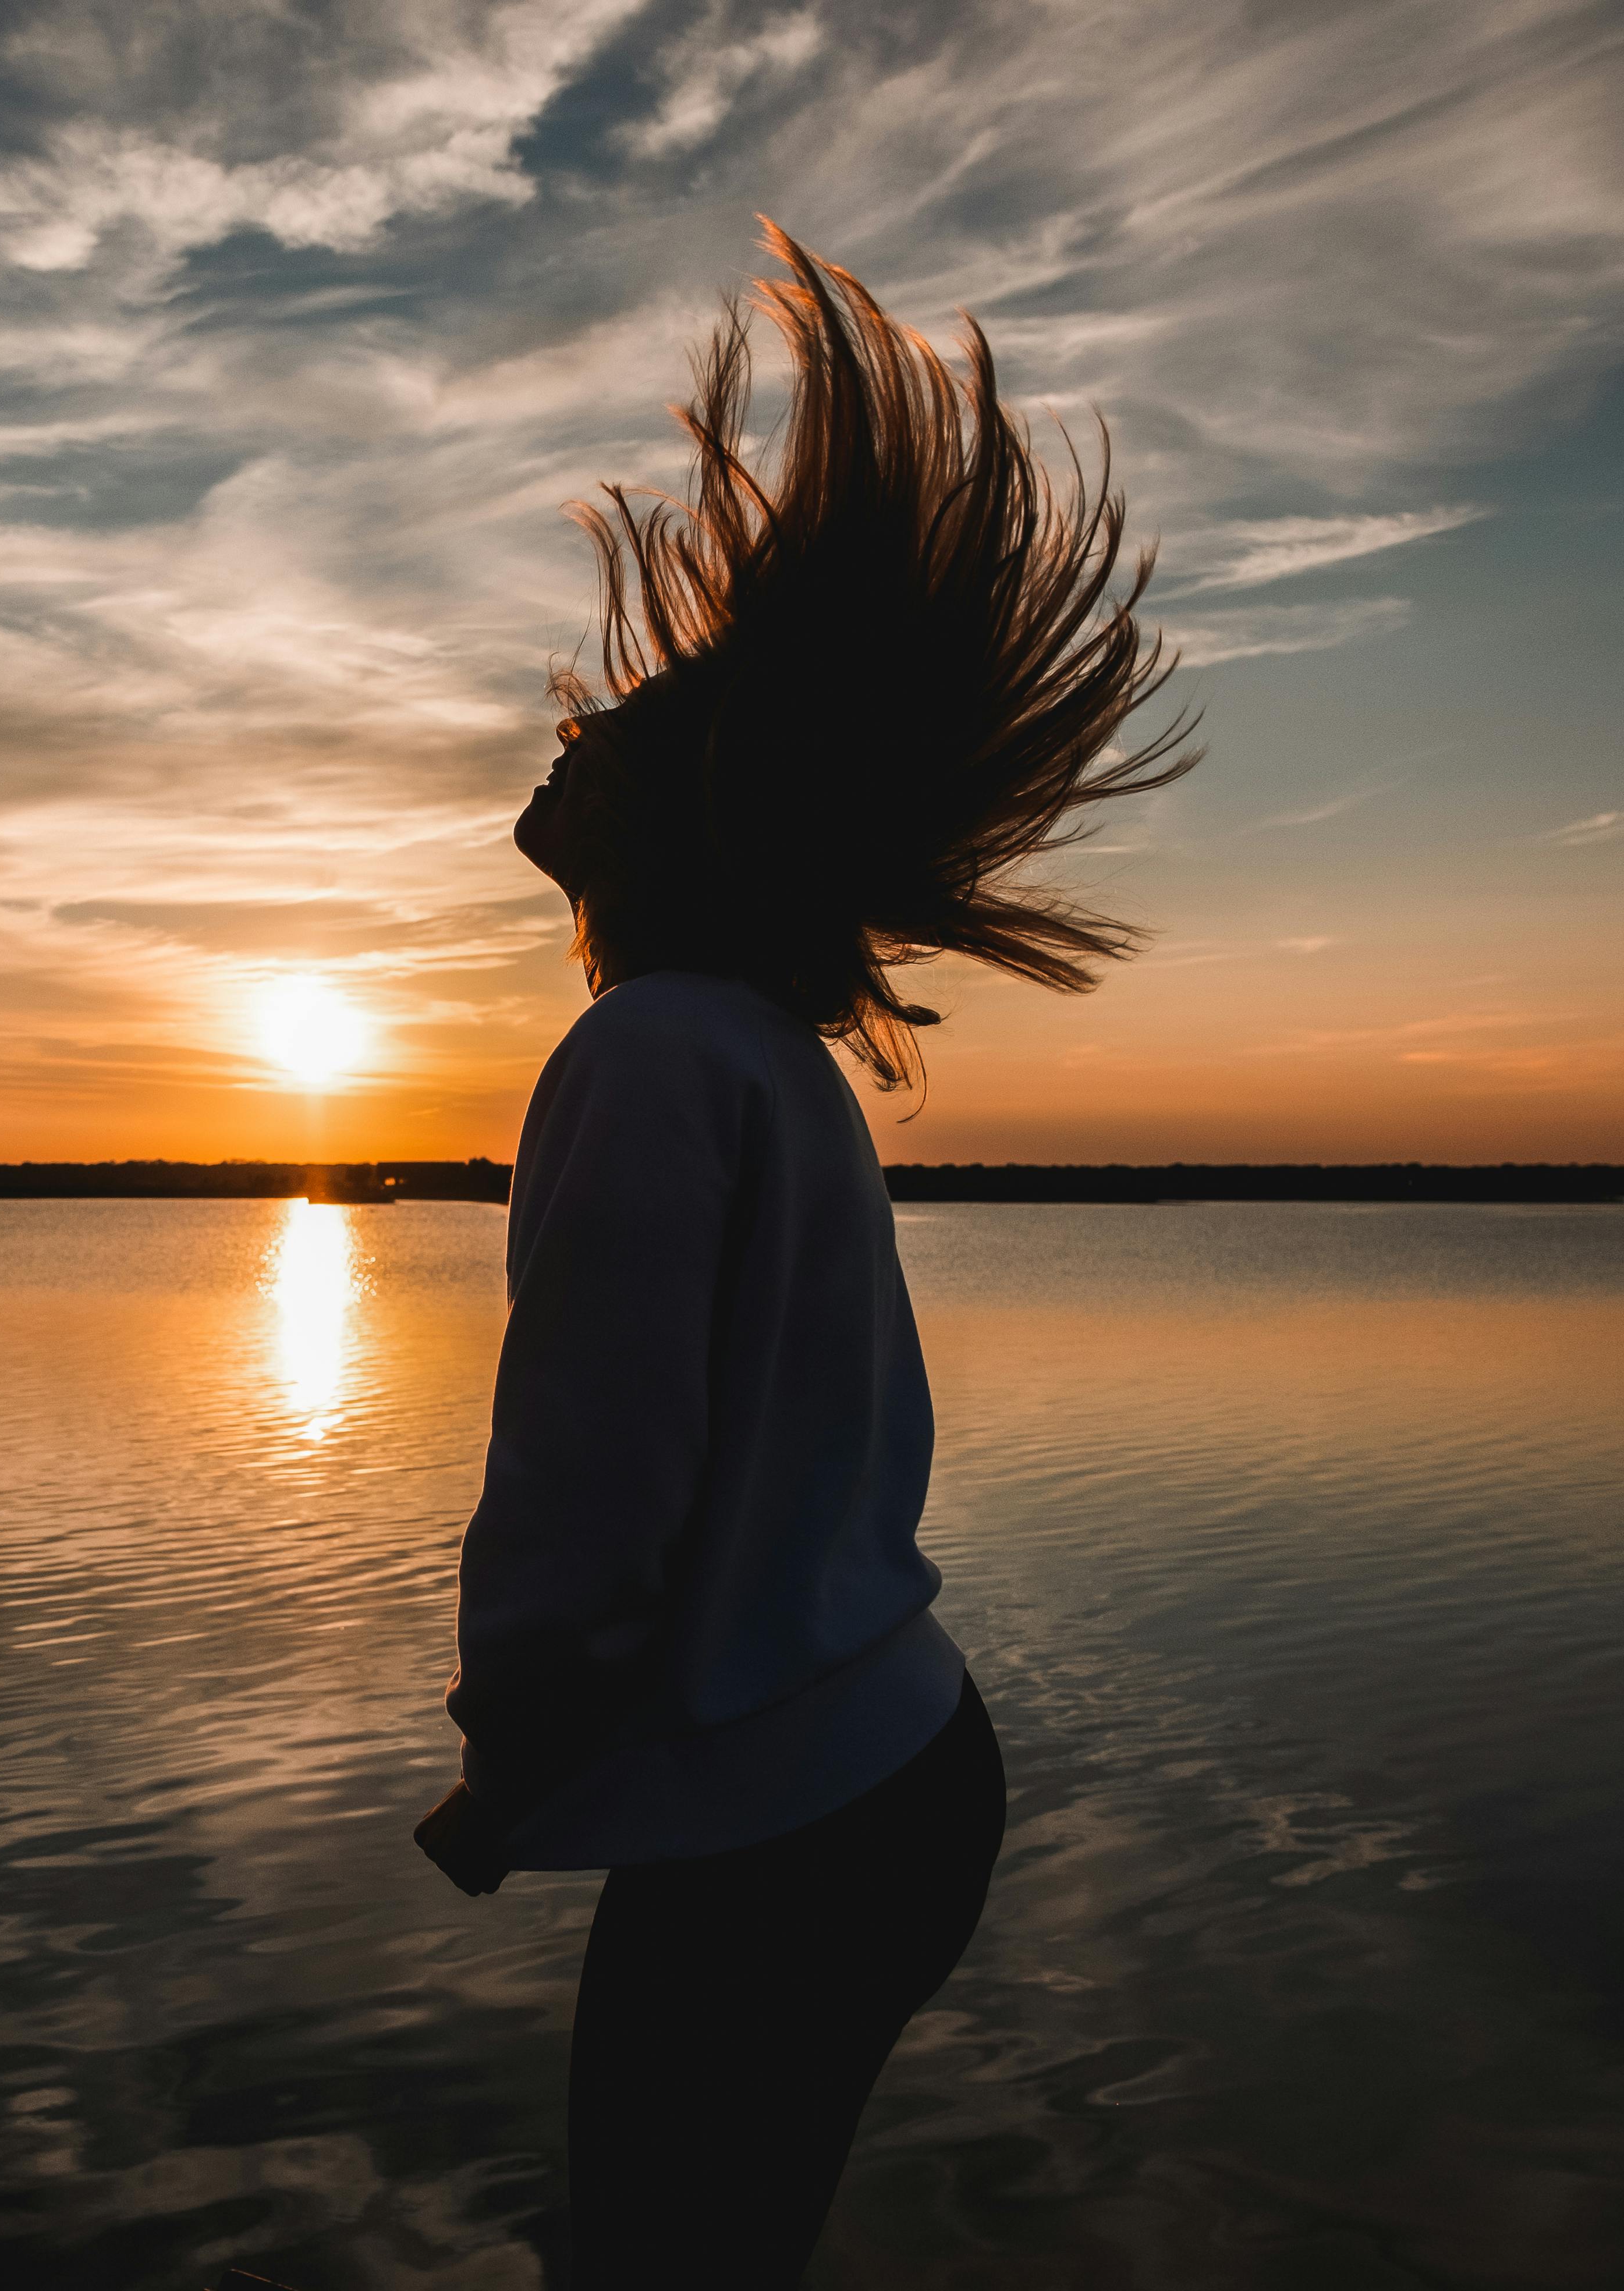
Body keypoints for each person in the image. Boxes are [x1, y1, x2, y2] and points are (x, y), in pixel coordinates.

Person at [411, 221, 1200, 2287]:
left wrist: (517, 1729)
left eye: (625, 726)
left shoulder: (654, 1052)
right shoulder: (753, 1053)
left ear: (701, 809)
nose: (574, 731)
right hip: (885, 1768)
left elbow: (600, 1461)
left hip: (792, 1820)